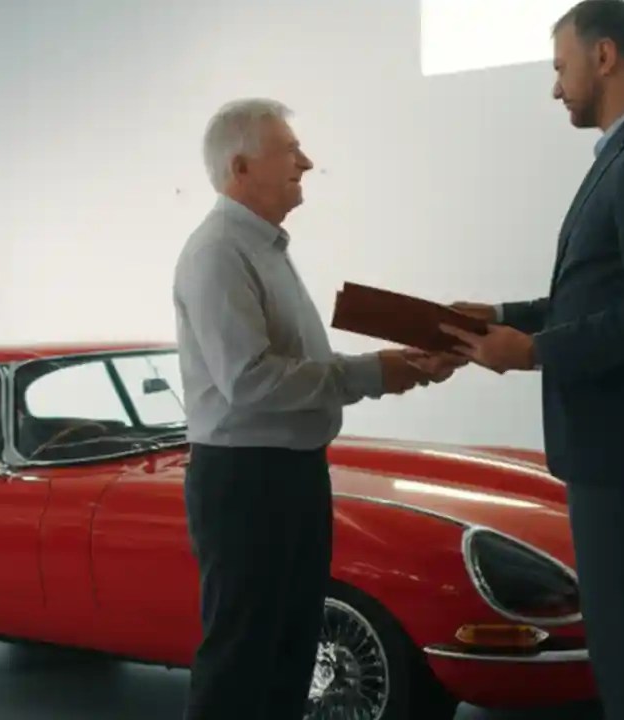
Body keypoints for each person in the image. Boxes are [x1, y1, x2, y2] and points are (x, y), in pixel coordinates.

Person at [441, 2, 624, 719]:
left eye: (560, 66)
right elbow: (596, 295)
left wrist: (532, 352)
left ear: (603, 57)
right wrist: (499, 318)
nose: (555, 86)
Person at [172, 98, 462, 720]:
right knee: (243, 663)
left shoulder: (262, 247)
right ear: (241, 167)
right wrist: (376, 373)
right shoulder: (219, 252)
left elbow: (285, 368)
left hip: (287, 475)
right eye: (289, 149)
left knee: (289, 656)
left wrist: (393, 367)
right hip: (247, 482)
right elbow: (249, 383)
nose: (307, 161)